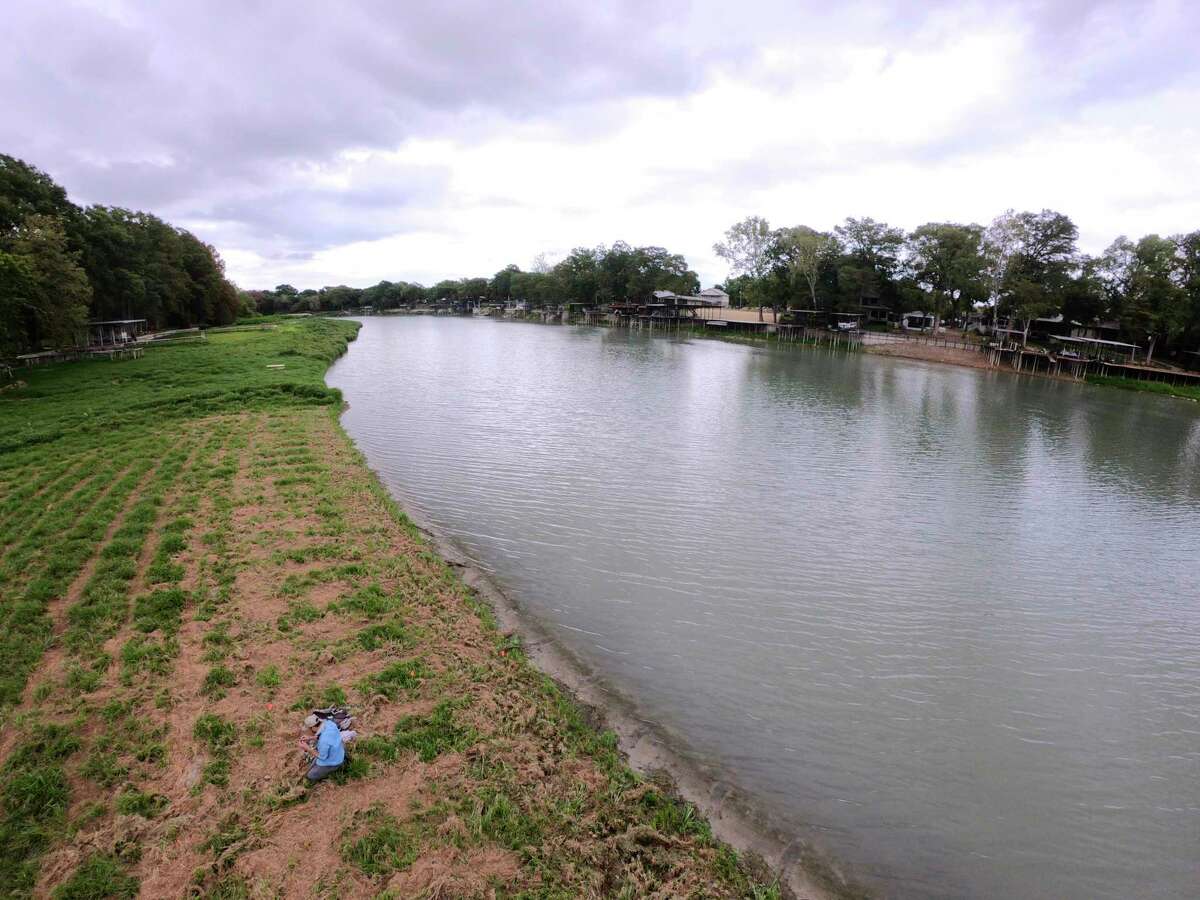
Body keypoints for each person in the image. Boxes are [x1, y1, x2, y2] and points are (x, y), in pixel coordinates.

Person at [299, 713, 344, 783]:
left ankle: (335, 770)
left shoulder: (324, 741)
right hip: (339, 751)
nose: (307, 731)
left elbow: (322, 757)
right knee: (313, 764)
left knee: (310, 775)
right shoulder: (329, 723)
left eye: (308, 729)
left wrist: (307, 748)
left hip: (334, 762)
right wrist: (311, 738)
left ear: (313, 728)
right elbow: (325, 735)